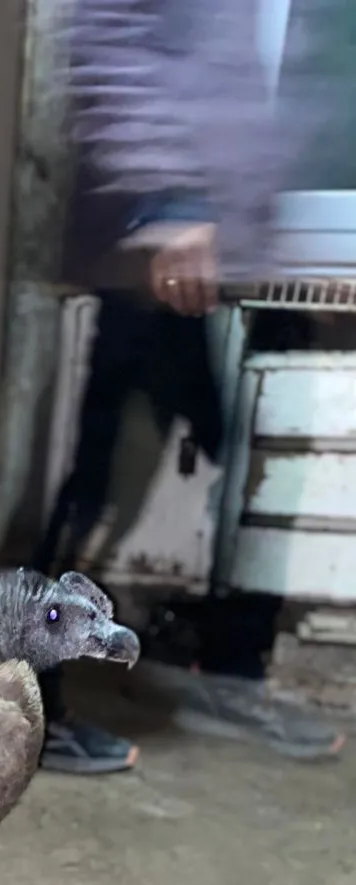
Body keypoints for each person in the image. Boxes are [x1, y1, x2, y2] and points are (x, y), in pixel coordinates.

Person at [36, 0, 345, 774]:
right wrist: (168, 202)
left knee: (232, 466)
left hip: (233, 243)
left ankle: (226, 673)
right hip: (160, 245)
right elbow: (109, 33)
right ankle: (20, 703)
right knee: (101, 486)